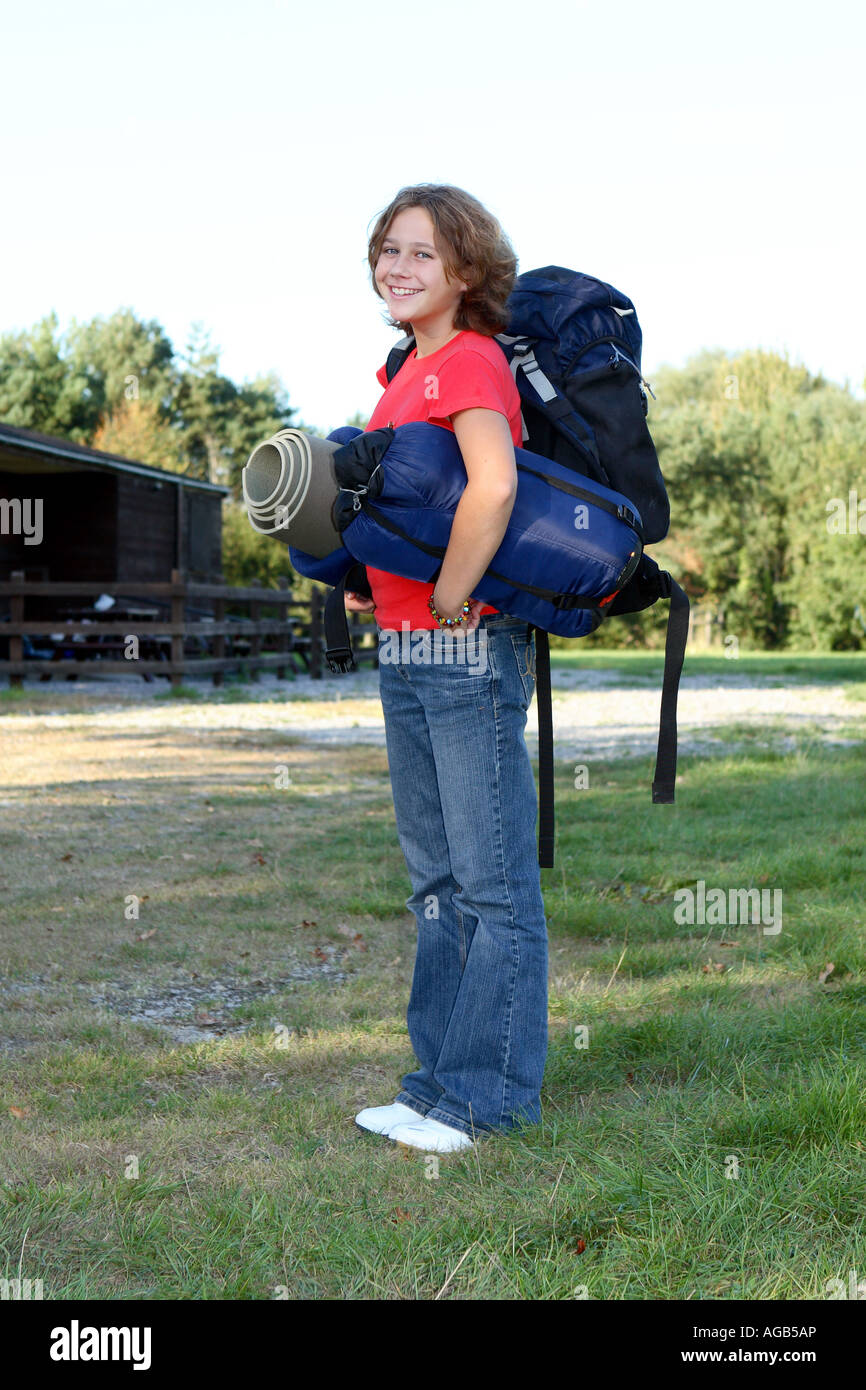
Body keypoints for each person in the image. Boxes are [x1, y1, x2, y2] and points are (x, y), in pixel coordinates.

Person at [348, 184, 548, 1154]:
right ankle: (431, 1087)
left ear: (464, 271)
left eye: (420, 253)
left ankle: (486, 1099)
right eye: (388, 249)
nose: (396, 266)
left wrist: (447, 597)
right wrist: (375, 588)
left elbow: (495, 484)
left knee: (488, 880)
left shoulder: (468, 360)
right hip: (406, 645)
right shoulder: (398, 373)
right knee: (434, 880)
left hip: (462, 650)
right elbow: (412, 510)